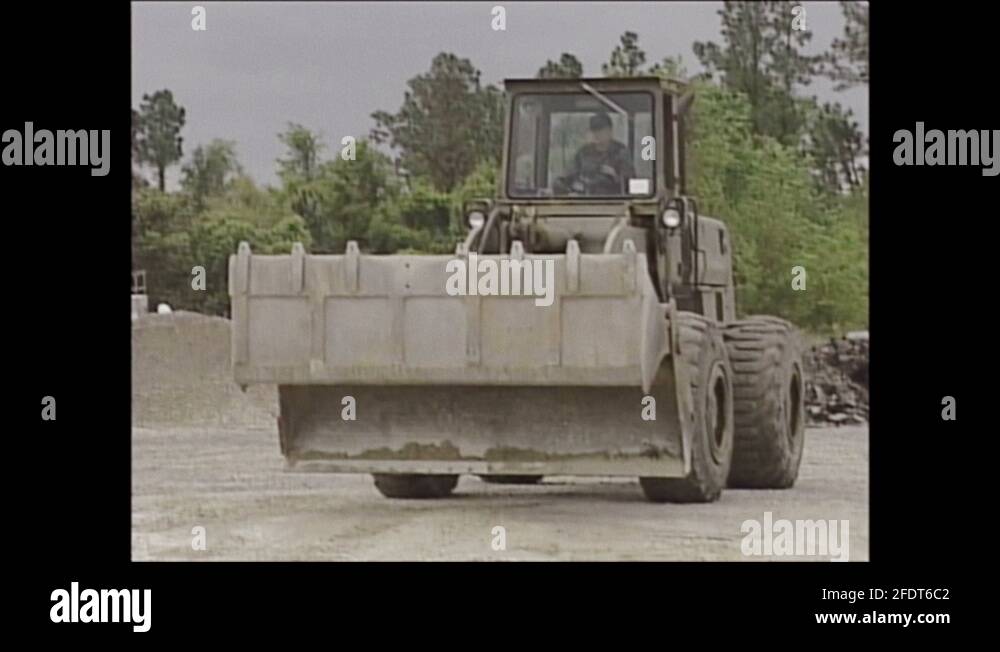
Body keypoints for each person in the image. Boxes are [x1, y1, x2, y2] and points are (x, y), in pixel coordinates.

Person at [563, 112, 635, 194]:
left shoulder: (621, 152)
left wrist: (614, 175)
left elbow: (630, 183)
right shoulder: (583, 153)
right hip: (586, 199)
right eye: (594, 131)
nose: (597, 134)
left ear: (610, 131)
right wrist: (578, 183)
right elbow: (570, 177)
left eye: (601, 131)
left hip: (614, 201)